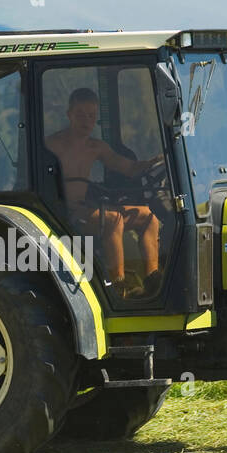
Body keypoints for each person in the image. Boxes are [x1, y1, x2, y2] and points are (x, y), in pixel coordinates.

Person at [45, 88, 164, 297]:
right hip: (63, 213)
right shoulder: (53, 145)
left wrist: (153, 162)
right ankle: (119, 286)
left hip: (88, 208)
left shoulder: (96, 147)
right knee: (113, 219)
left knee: (148, 217)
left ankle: (152, 279)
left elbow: (128, 167)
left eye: (91, 116)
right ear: (69, 114)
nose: (86, 120)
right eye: (80, 114)